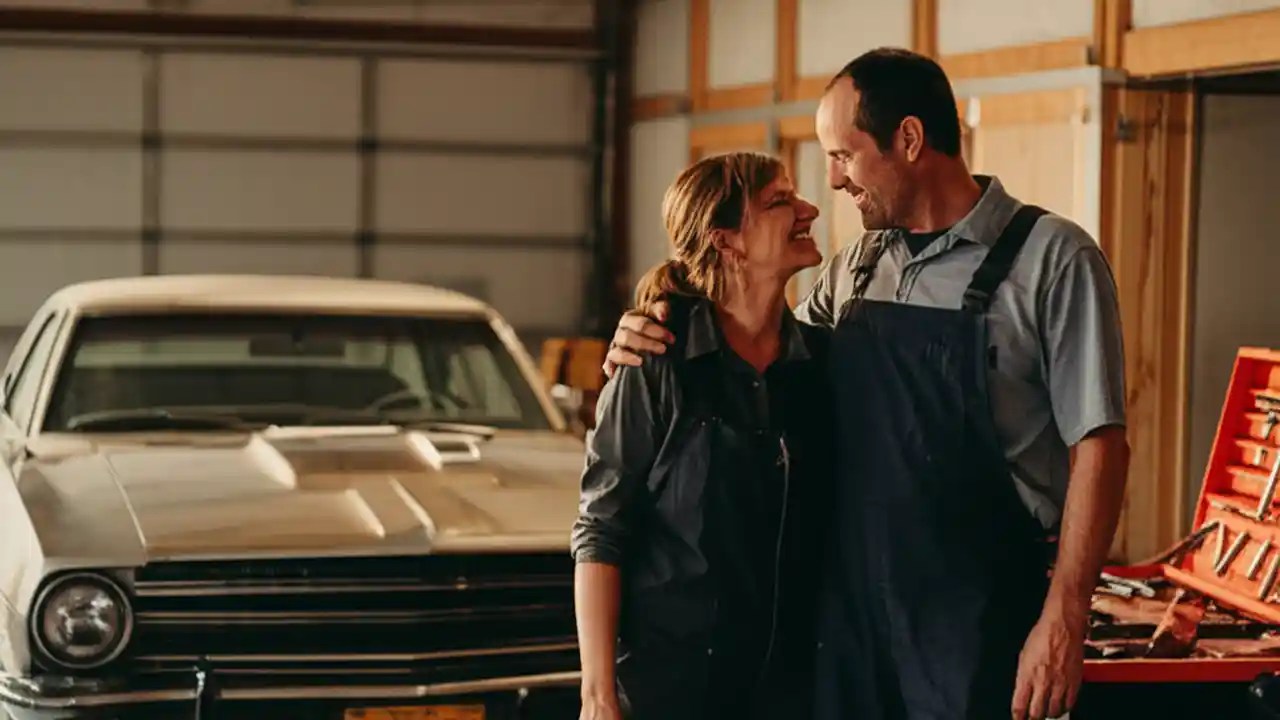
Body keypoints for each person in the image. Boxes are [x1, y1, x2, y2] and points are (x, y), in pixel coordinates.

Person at [602, 47, 1130, 720]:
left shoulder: (1052, 260)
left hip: (975, 613)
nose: (832, 183)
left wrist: (1066, 616)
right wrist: (654, 334)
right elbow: (754, 352)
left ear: (908, 140)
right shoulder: (852, 269)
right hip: (846, 612)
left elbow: (1101, 445)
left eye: (842, 156)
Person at [570, 151, 834, 720]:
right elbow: (601, 528)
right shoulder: (657, 361)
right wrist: (598, 697)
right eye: (780, 202)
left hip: (790, 693)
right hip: (672, 691)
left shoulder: (819, 363)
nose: (808, 209)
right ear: (725, 240)